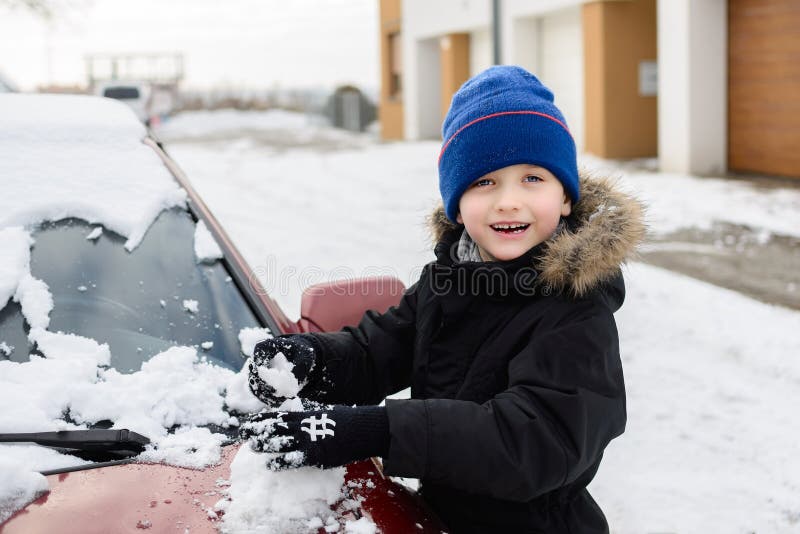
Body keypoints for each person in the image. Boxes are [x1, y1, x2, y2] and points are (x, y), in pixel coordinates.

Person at [239, 65, 646, 533]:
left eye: (533, 178)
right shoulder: (450, 280)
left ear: (566, 198)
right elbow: (379, 350)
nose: (508, 202)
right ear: (455, 204)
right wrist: (313, 360)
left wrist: (379, 430)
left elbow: (535, 441)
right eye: (483, 182)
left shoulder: (576, 310)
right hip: (437, 519)